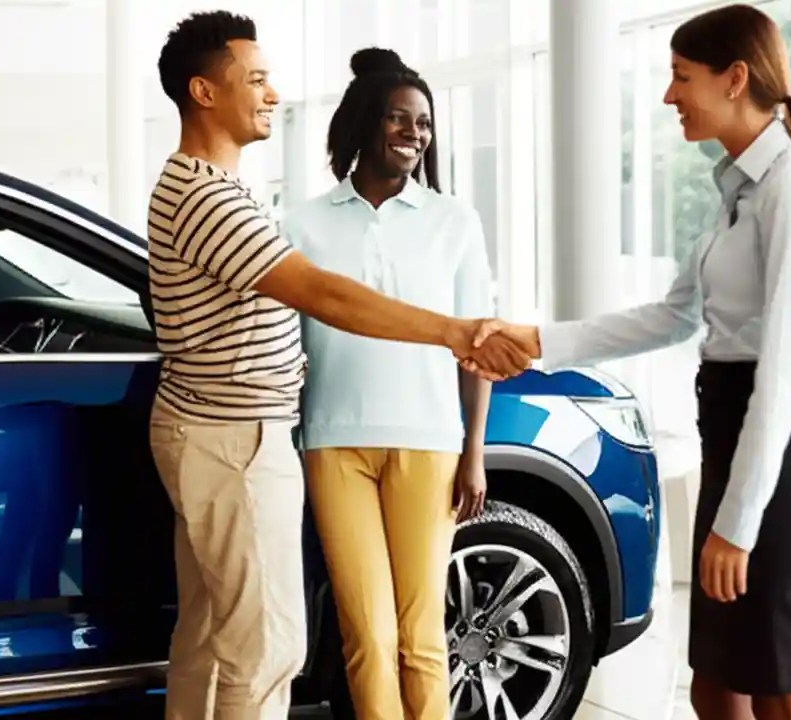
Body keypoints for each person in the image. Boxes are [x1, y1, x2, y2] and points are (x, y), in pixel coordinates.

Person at [147, 12, 536, 720]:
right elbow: (322, 296)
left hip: (250, 434)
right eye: (257, 78)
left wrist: (470, 435)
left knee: (213, 639)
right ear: (205, 92)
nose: (272, 93)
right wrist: (455, 331)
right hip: (241, 440)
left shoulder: (218, 190)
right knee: (266, 648)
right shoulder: (218, 198)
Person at [469, 5, 791, 720]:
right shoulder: (737, 193)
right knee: (714, 683)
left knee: (780, 683)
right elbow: (672, 317)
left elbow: (781, 371)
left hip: (776, 459)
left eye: (681, 76)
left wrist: (738, 519)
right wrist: (536, 340)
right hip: (735, 441)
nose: (669, 95)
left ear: (735, 79)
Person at [276, 48, 493, 720]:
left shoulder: (454, 221)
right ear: (366, 124)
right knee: (366, 634)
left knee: (422, 639)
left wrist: (474, 452)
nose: (414, 132)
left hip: (430, 445)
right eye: (399, 118)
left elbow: (477, 345)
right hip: (333, 444)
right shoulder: (303, 222)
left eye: (423, 123)